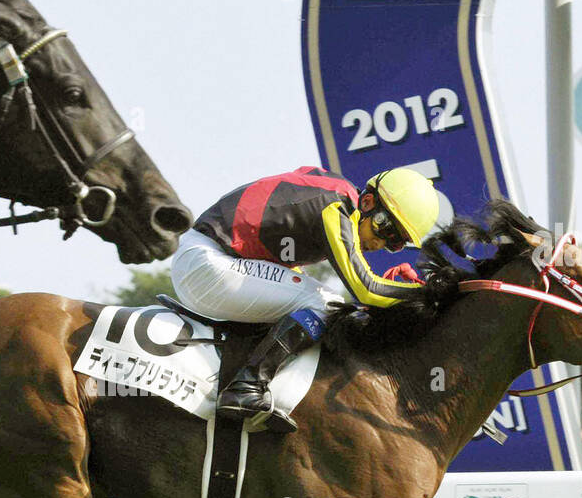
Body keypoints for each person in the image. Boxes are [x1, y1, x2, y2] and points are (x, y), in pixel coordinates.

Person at [173, 166, 443, 432]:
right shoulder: (336, 205)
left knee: (316, 302)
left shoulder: (332, 194)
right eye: (386, 229)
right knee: (327, 303)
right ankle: (247, 386)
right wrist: (433, 295)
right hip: (208, 262)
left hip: (209, 260)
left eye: (396, 243)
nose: (381, 244)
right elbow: (366, 289)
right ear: (368, 201)